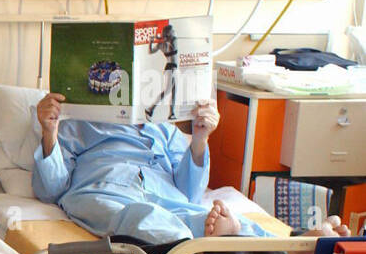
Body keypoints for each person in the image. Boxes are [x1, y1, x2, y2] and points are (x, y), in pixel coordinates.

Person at [32, 93, 350, 243]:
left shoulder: (166, 132)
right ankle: (199, 251)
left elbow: (191, 193)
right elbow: (51, 190)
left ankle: (293, 245)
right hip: (103, 190)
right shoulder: (76, 126)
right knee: (141, 216)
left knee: (206, 217)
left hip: (165, 195)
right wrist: (50, 132)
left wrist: (199, 139)